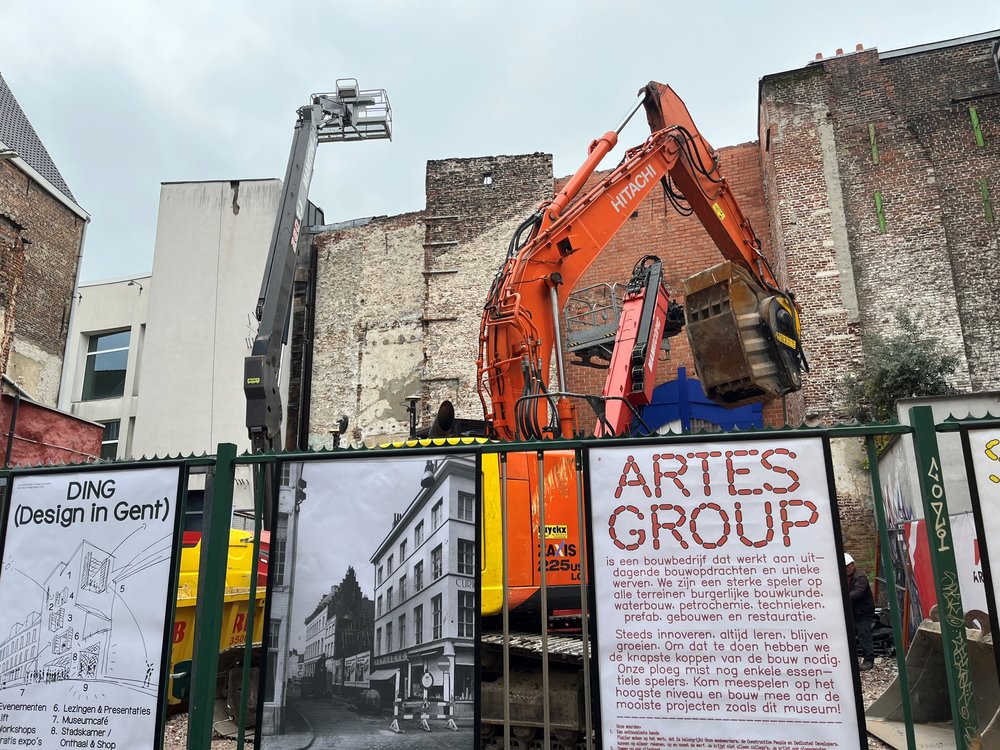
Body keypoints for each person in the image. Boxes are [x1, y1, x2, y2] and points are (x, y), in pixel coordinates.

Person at [845, 553, 875, 671]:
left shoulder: (860, 577)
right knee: (849, 635)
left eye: (848, 566)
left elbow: (858, 592)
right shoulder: (844, 576)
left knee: (864, 635)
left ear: (852, 565)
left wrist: (842, 598)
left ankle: (868, 661)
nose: (847, 568)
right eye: (845, 566)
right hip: (853, 611)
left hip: (864, 612)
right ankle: (851, 659)